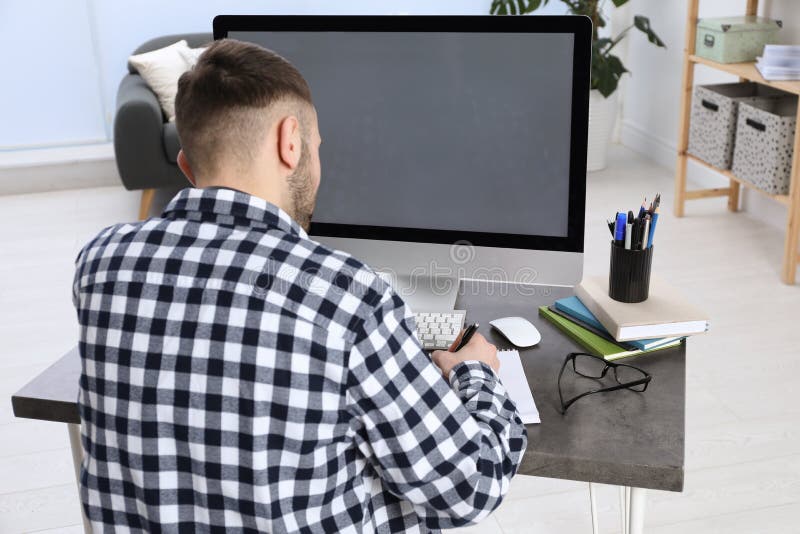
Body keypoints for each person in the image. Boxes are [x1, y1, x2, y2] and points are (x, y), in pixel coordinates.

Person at [72, 38, 527, 533]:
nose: (317, 164)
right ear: (291, 141)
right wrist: (477, 375)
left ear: (186, 166)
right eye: (316, 148)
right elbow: (470, 487)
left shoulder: (101, 262)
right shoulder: (346, 298)